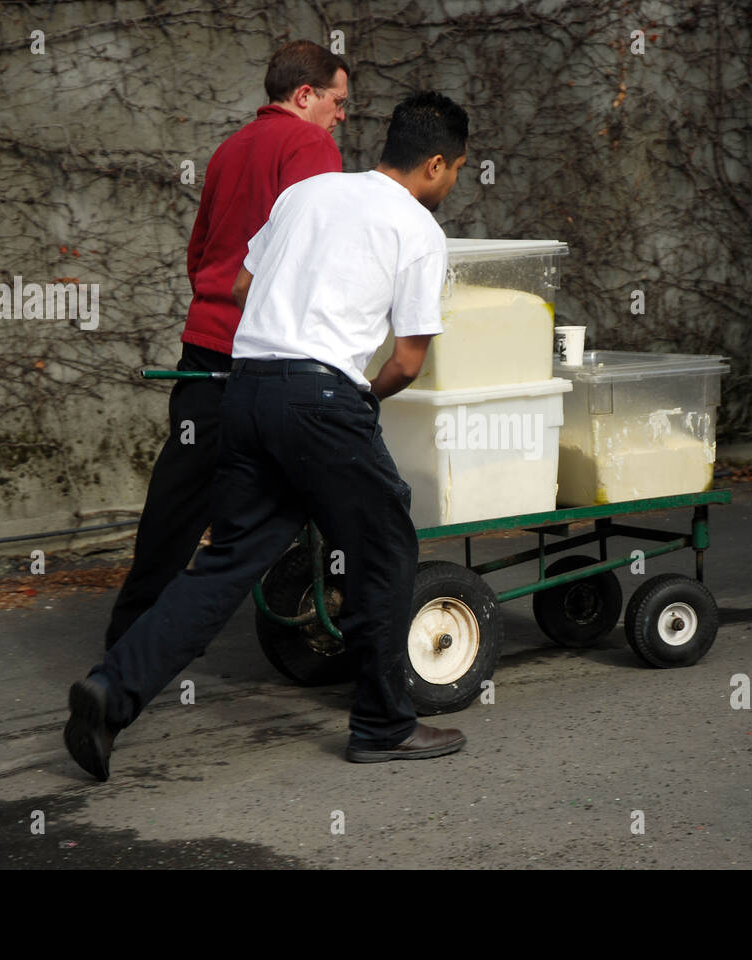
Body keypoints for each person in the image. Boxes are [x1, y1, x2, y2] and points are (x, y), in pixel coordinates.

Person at [65, 91, 471, 778]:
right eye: (458, 169)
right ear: (435, 164)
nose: (455, 181)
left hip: (246, 389)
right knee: (385, 549)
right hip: (321, 399)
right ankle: (380, 724)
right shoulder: (419, 231)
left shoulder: (308, 195)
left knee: (224, 563)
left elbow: (242, 285)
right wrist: (356, 395)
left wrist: (284, 342)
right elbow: (406, 360)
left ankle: (112, 690)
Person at [104, 40, 350, 651]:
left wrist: (218, 305)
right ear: (304, 95)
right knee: (328, 488)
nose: (342, 115)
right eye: (337, 101)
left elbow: (199, 252)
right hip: (268, 353)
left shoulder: (228, 149)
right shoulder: (310, 146)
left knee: (179, 502)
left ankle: (127, 643)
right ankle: (348, 628)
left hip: (204, 350)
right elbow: (313, 250)